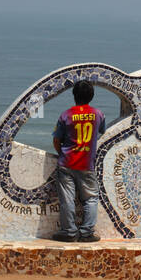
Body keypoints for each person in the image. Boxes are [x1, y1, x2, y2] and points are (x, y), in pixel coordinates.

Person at [49, 80, 107, 243]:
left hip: (67, 163)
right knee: (91, 198)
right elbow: (101, 131)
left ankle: (68, 231)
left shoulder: (66, 115)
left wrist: (62, 153)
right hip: (87, 164)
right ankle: (87, 232)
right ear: (92, 96)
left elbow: (56, 140)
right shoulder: (98, 114)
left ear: (74, 96)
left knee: (67, 198)